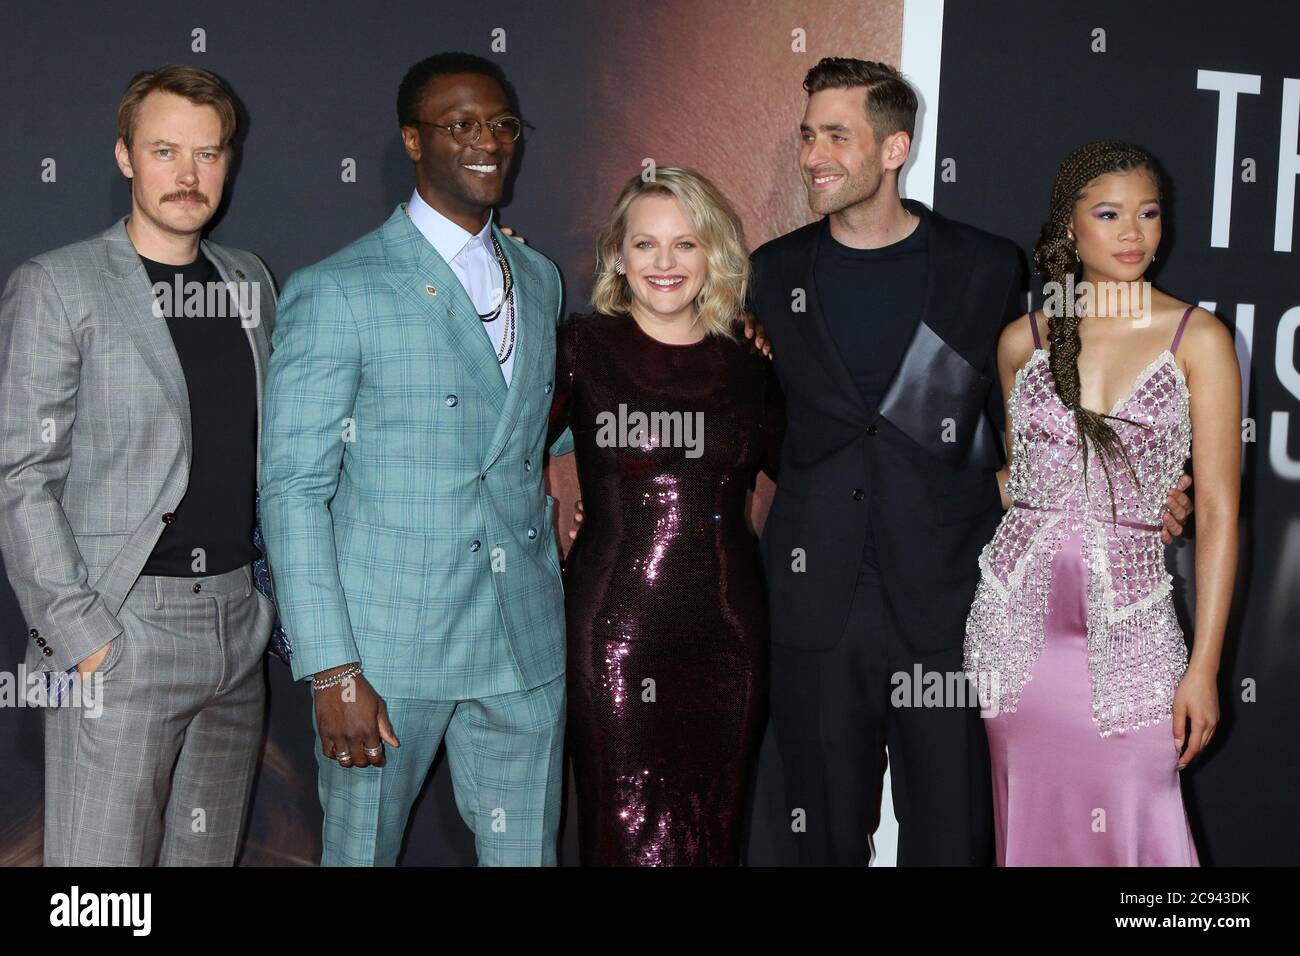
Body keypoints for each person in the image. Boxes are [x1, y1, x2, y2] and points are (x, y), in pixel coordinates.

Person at [743, 58, 1194, 865]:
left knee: (952, 841)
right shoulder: (773, 273)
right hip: (815, 610)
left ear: (895, 149)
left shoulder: (985, 267)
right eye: (808, 136)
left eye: (837, 136)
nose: (813, 155)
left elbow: (1037, 430)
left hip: (952, 607)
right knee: (816, 841)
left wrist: (1135, 491)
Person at [260, 52, 568, 866]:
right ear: (411, 139)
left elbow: (534, 430)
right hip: (385, 652)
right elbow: (292, 489)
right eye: (460, 124)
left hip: (524, 643)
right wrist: (331, 669)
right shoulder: (338, 289)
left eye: (502, 124)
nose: (487, 142)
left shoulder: (540, 279)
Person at [0, 65, 278, 865]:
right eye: (165, 151)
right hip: (123, 628)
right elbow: (19, 475)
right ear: (125, 156)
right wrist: (83, 636)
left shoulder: (249, 279)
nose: (188, 174)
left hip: (238, 626)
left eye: (207, 153)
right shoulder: (58, 285)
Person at [964, 141, 1235, 866]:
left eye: (1149, 213)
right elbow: (1022, 484)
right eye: (1109, 214)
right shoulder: (1021, 342)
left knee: (1140, 828)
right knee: (1030, 831)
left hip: (1133, 642)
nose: (1134, 233)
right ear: (1069, 225)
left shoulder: (1200, 338)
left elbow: (1219, 513)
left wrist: (1204, 668)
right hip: (1013, 639)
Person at [548, 168, 782, 865]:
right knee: (620, 826)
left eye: (685, 244)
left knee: (715, 827)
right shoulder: (581, 347)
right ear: (618, 256)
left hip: (729, 631)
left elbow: (793, 471)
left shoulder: (749, 359)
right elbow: (505, 455)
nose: (664, 262)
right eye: (645, 244)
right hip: (615, 631)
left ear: (713, 253)